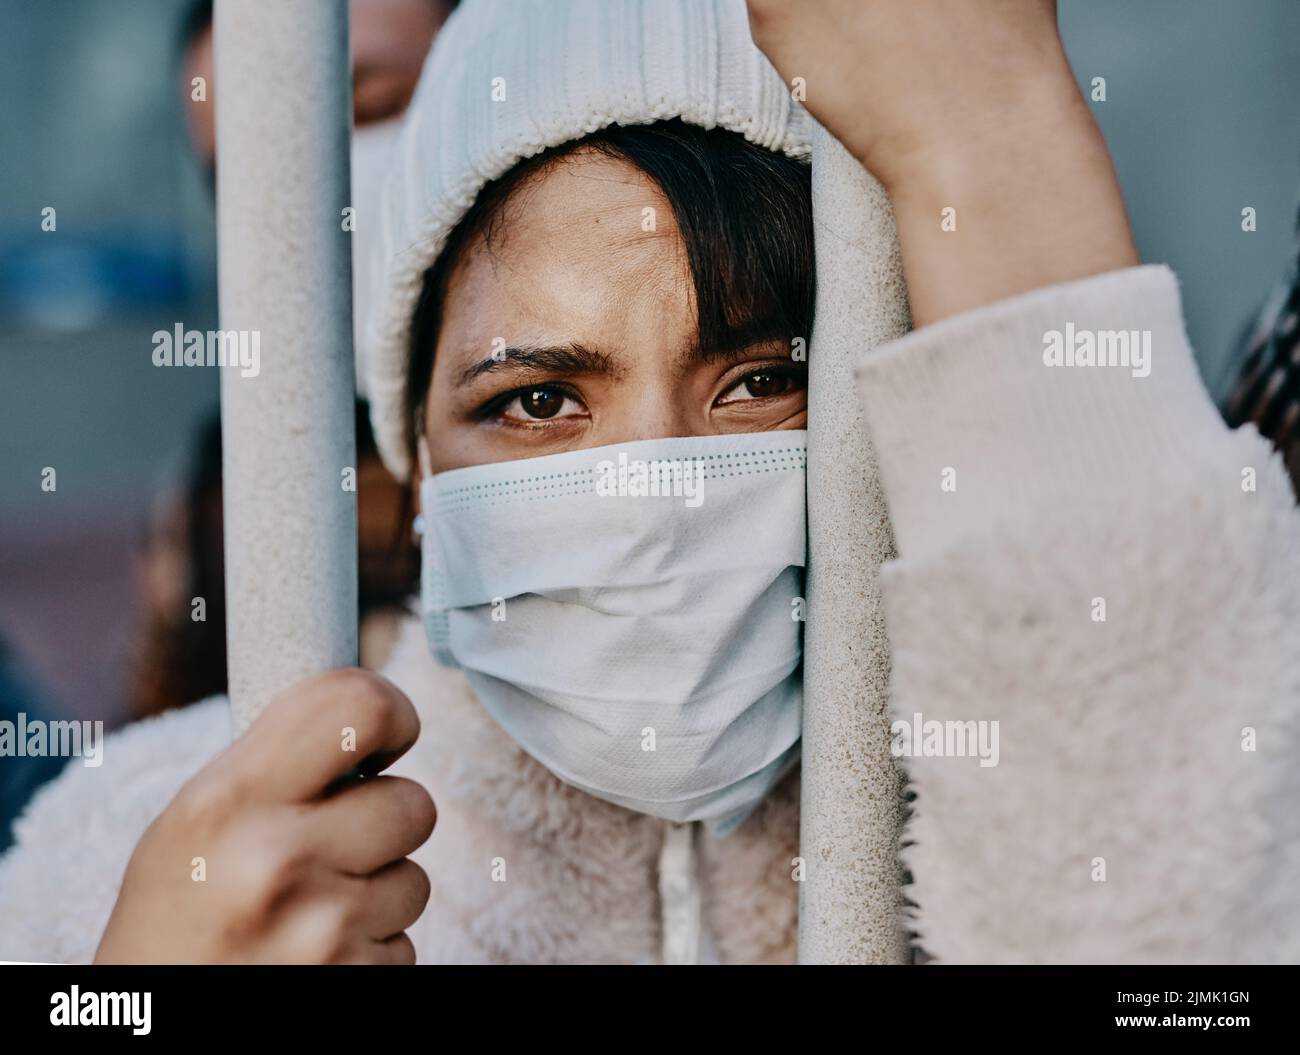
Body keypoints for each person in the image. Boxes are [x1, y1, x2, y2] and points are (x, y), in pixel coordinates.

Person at [2, 0, 1299, 965]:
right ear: (417, 449)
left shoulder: (1036, 783)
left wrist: (992, 141)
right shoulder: (139, 847)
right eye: (538, 401)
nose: (656, 494)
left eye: (751, 381)